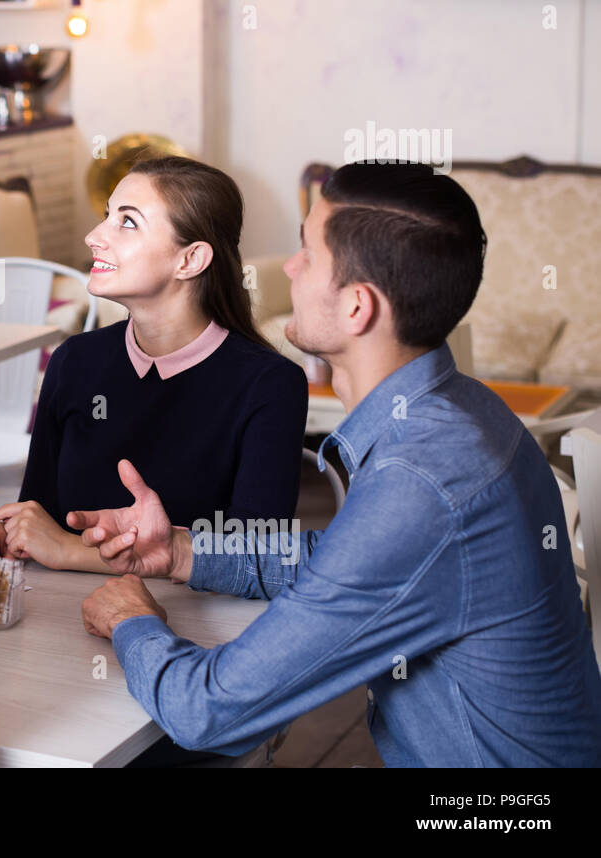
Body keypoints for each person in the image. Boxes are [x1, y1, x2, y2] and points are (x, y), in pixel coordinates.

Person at [76, 162, 601, 767]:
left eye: (306, 252)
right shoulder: (464, 408)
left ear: (357, 307)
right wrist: (183, 551)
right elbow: (349, 563)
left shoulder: (423, 481)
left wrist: (131, 620)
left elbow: (210, 713)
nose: (290, 267)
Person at [0, 156, 307, 573]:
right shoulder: (74, 361)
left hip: (196, 627)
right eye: (107, 217)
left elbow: (258, 558)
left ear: (190, 260)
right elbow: (39, 515)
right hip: (59, 612)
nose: (93, 237)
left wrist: (71, 552)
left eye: (127, 222)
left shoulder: (270, 384)